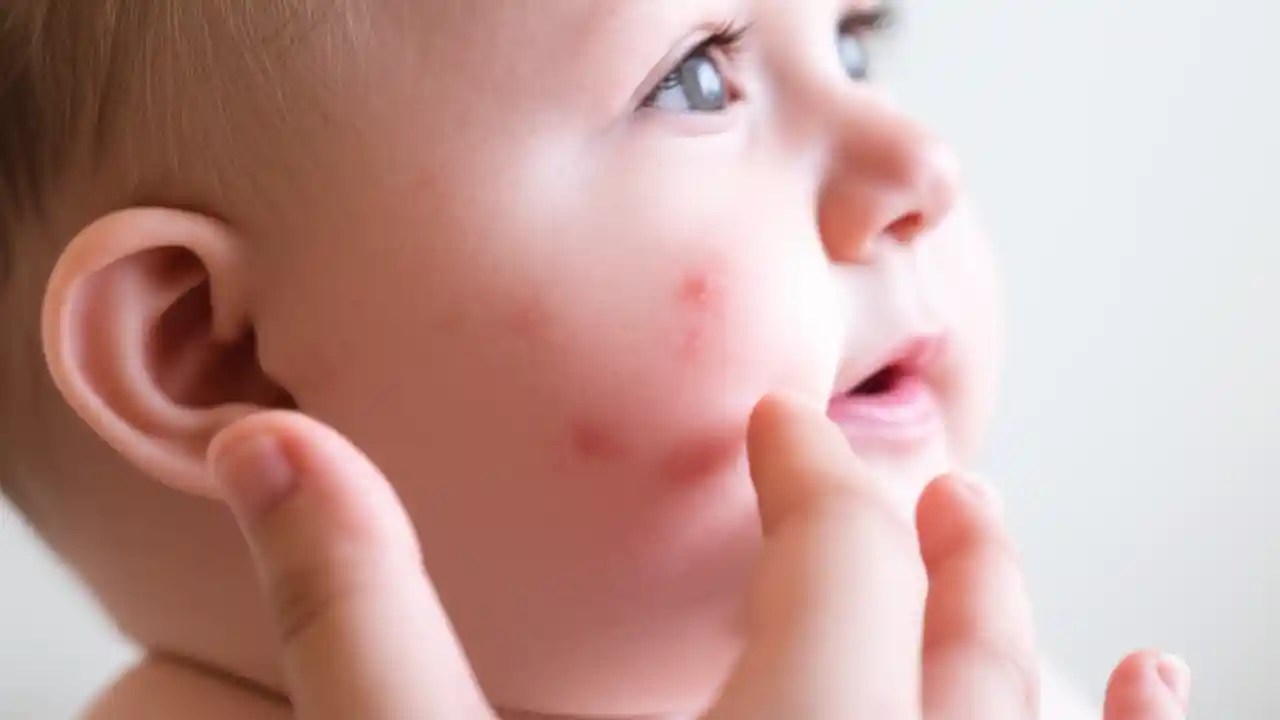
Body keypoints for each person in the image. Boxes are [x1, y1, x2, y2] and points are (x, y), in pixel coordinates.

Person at [0, 2, 1190, 717]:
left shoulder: (983, 683)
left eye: (855, 41)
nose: (921, 167)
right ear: (216, 354)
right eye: (694, 76)